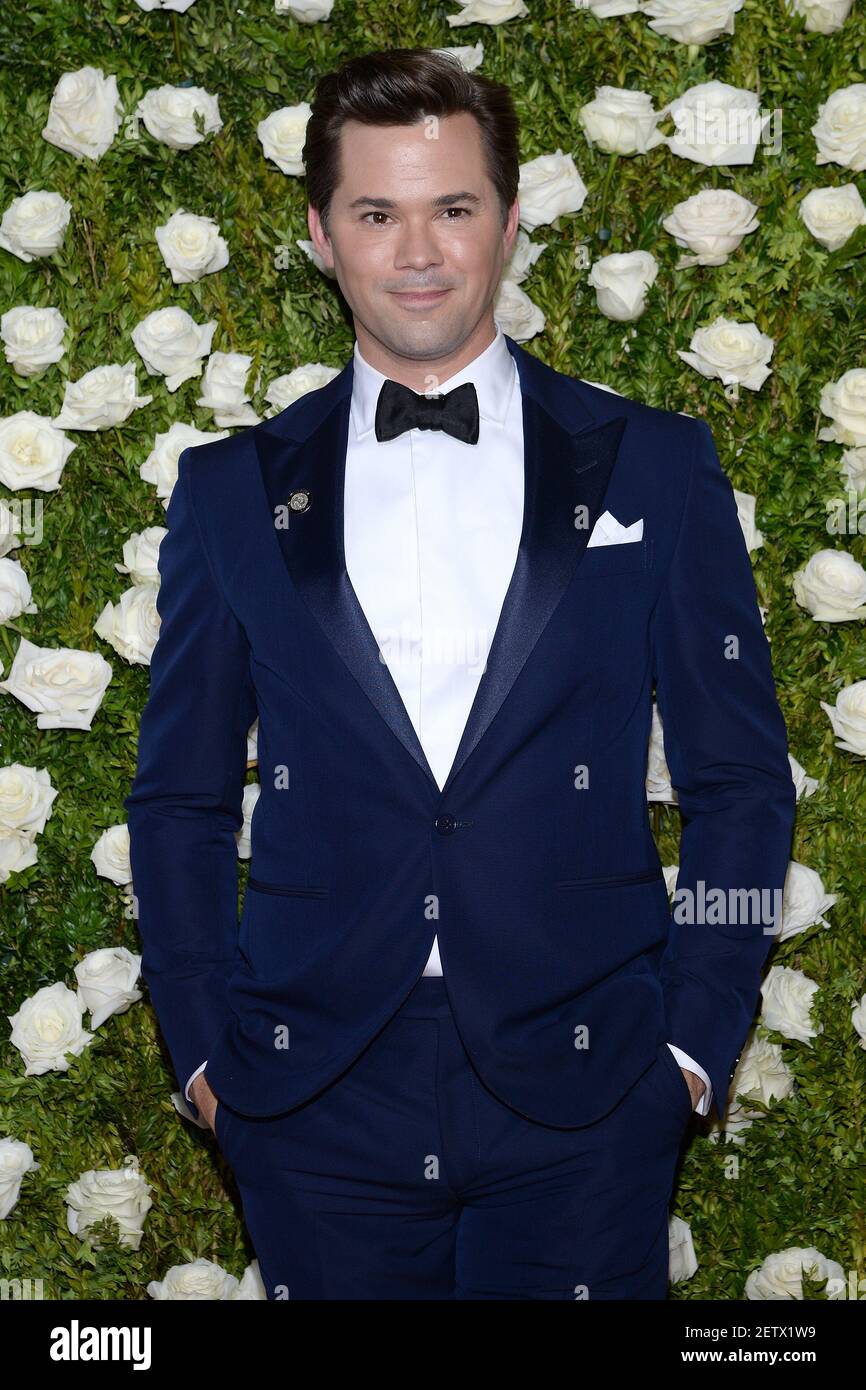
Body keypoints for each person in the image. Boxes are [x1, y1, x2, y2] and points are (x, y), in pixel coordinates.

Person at [124, 46, 797, 1300]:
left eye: (453, 207)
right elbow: (179, 799)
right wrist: (207, 1047)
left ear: (509, 223)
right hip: (313, 1088)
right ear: (322, 236)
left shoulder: (653, 466)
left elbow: (742, 784)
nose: (418, 252)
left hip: (591, 1085)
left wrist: (694, 1040)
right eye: (377, 213)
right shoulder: (227, 494)